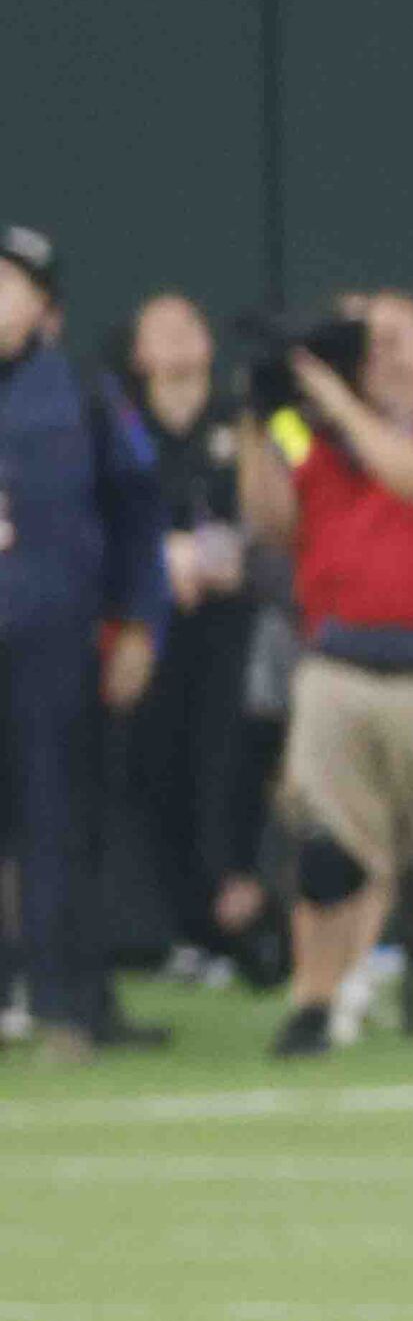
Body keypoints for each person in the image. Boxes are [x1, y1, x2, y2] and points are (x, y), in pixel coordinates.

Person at [232, 291, 413, 1059]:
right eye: (373, 341)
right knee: (325, 853)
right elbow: (271, 522)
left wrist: (341, 408)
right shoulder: (318, 438)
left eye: (401, 338)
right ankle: (313, 1005)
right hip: (342, 665)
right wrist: (264, 419)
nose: (386, 353)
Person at [0, 224, 165, 1060]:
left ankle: (68, 1004)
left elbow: (139, 517)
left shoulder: (87, 395)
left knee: (57, 821)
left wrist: (139, 624)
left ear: (46, 307)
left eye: (8, 281)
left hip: (51, 645)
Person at [118, 294, 278, 988]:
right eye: (161, 329)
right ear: (139, 355)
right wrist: (161, 560)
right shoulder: (119, 426)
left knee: (232, 765)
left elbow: (299, 476)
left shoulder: (252, 418)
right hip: (152, 630)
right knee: (157, 767)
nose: (180, 338)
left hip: (234, 626)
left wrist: (242, 552)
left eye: (192, 325)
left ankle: (242, 923)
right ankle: (187, 929)